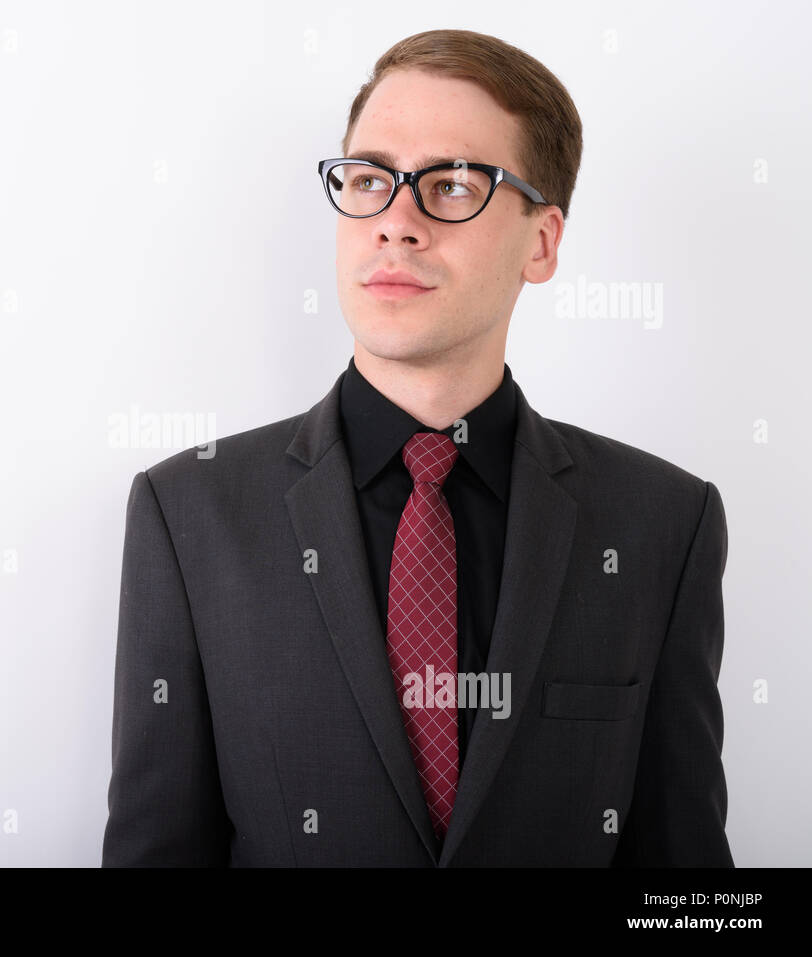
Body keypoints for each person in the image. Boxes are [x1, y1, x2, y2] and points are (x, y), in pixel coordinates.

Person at [101, 28, 733, 867]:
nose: (396, 223)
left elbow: (686, 881)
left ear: (541, 242)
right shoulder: (190, 513)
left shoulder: (663, 522)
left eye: (452, 185)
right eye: (370, 179)